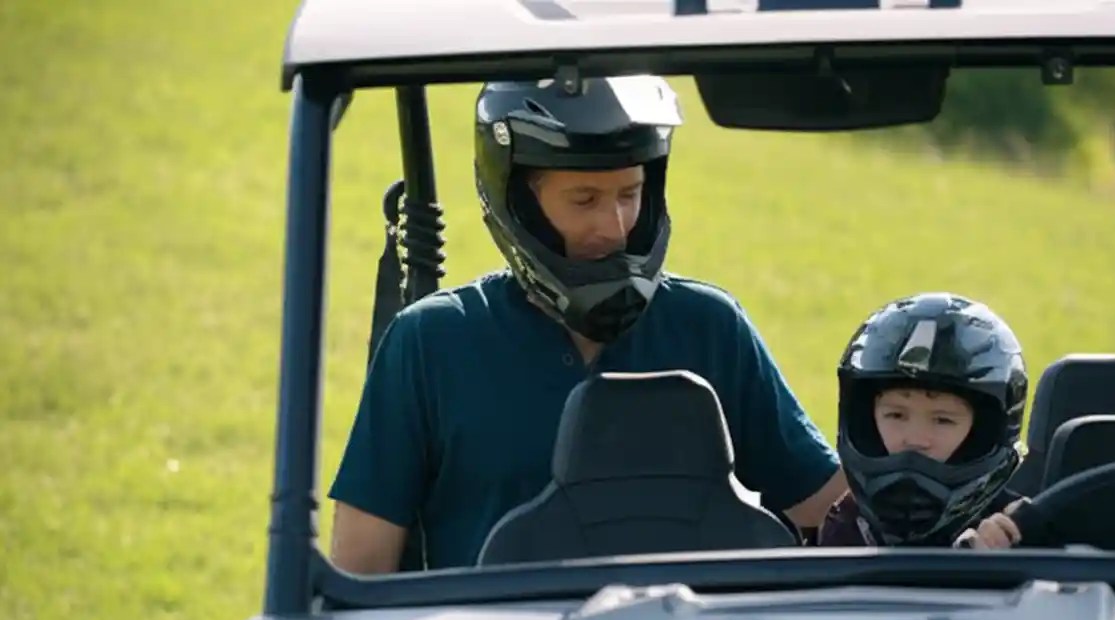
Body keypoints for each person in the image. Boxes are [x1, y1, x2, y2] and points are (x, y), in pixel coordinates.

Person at [326, 75, 848, 574]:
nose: (614, 227)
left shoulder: (709, 328)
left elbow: (832, 512)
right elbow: (360, 568)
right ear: (519, 202)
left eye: (629, 194)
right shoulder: (430, 343)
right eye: (584, 201)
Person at [817, 292, 1031, 550]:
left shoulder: (1015, 529)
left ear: (983, 432)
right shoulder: (846, 526)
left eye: (942, 420)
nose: (915, 439)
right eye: (896, 415)